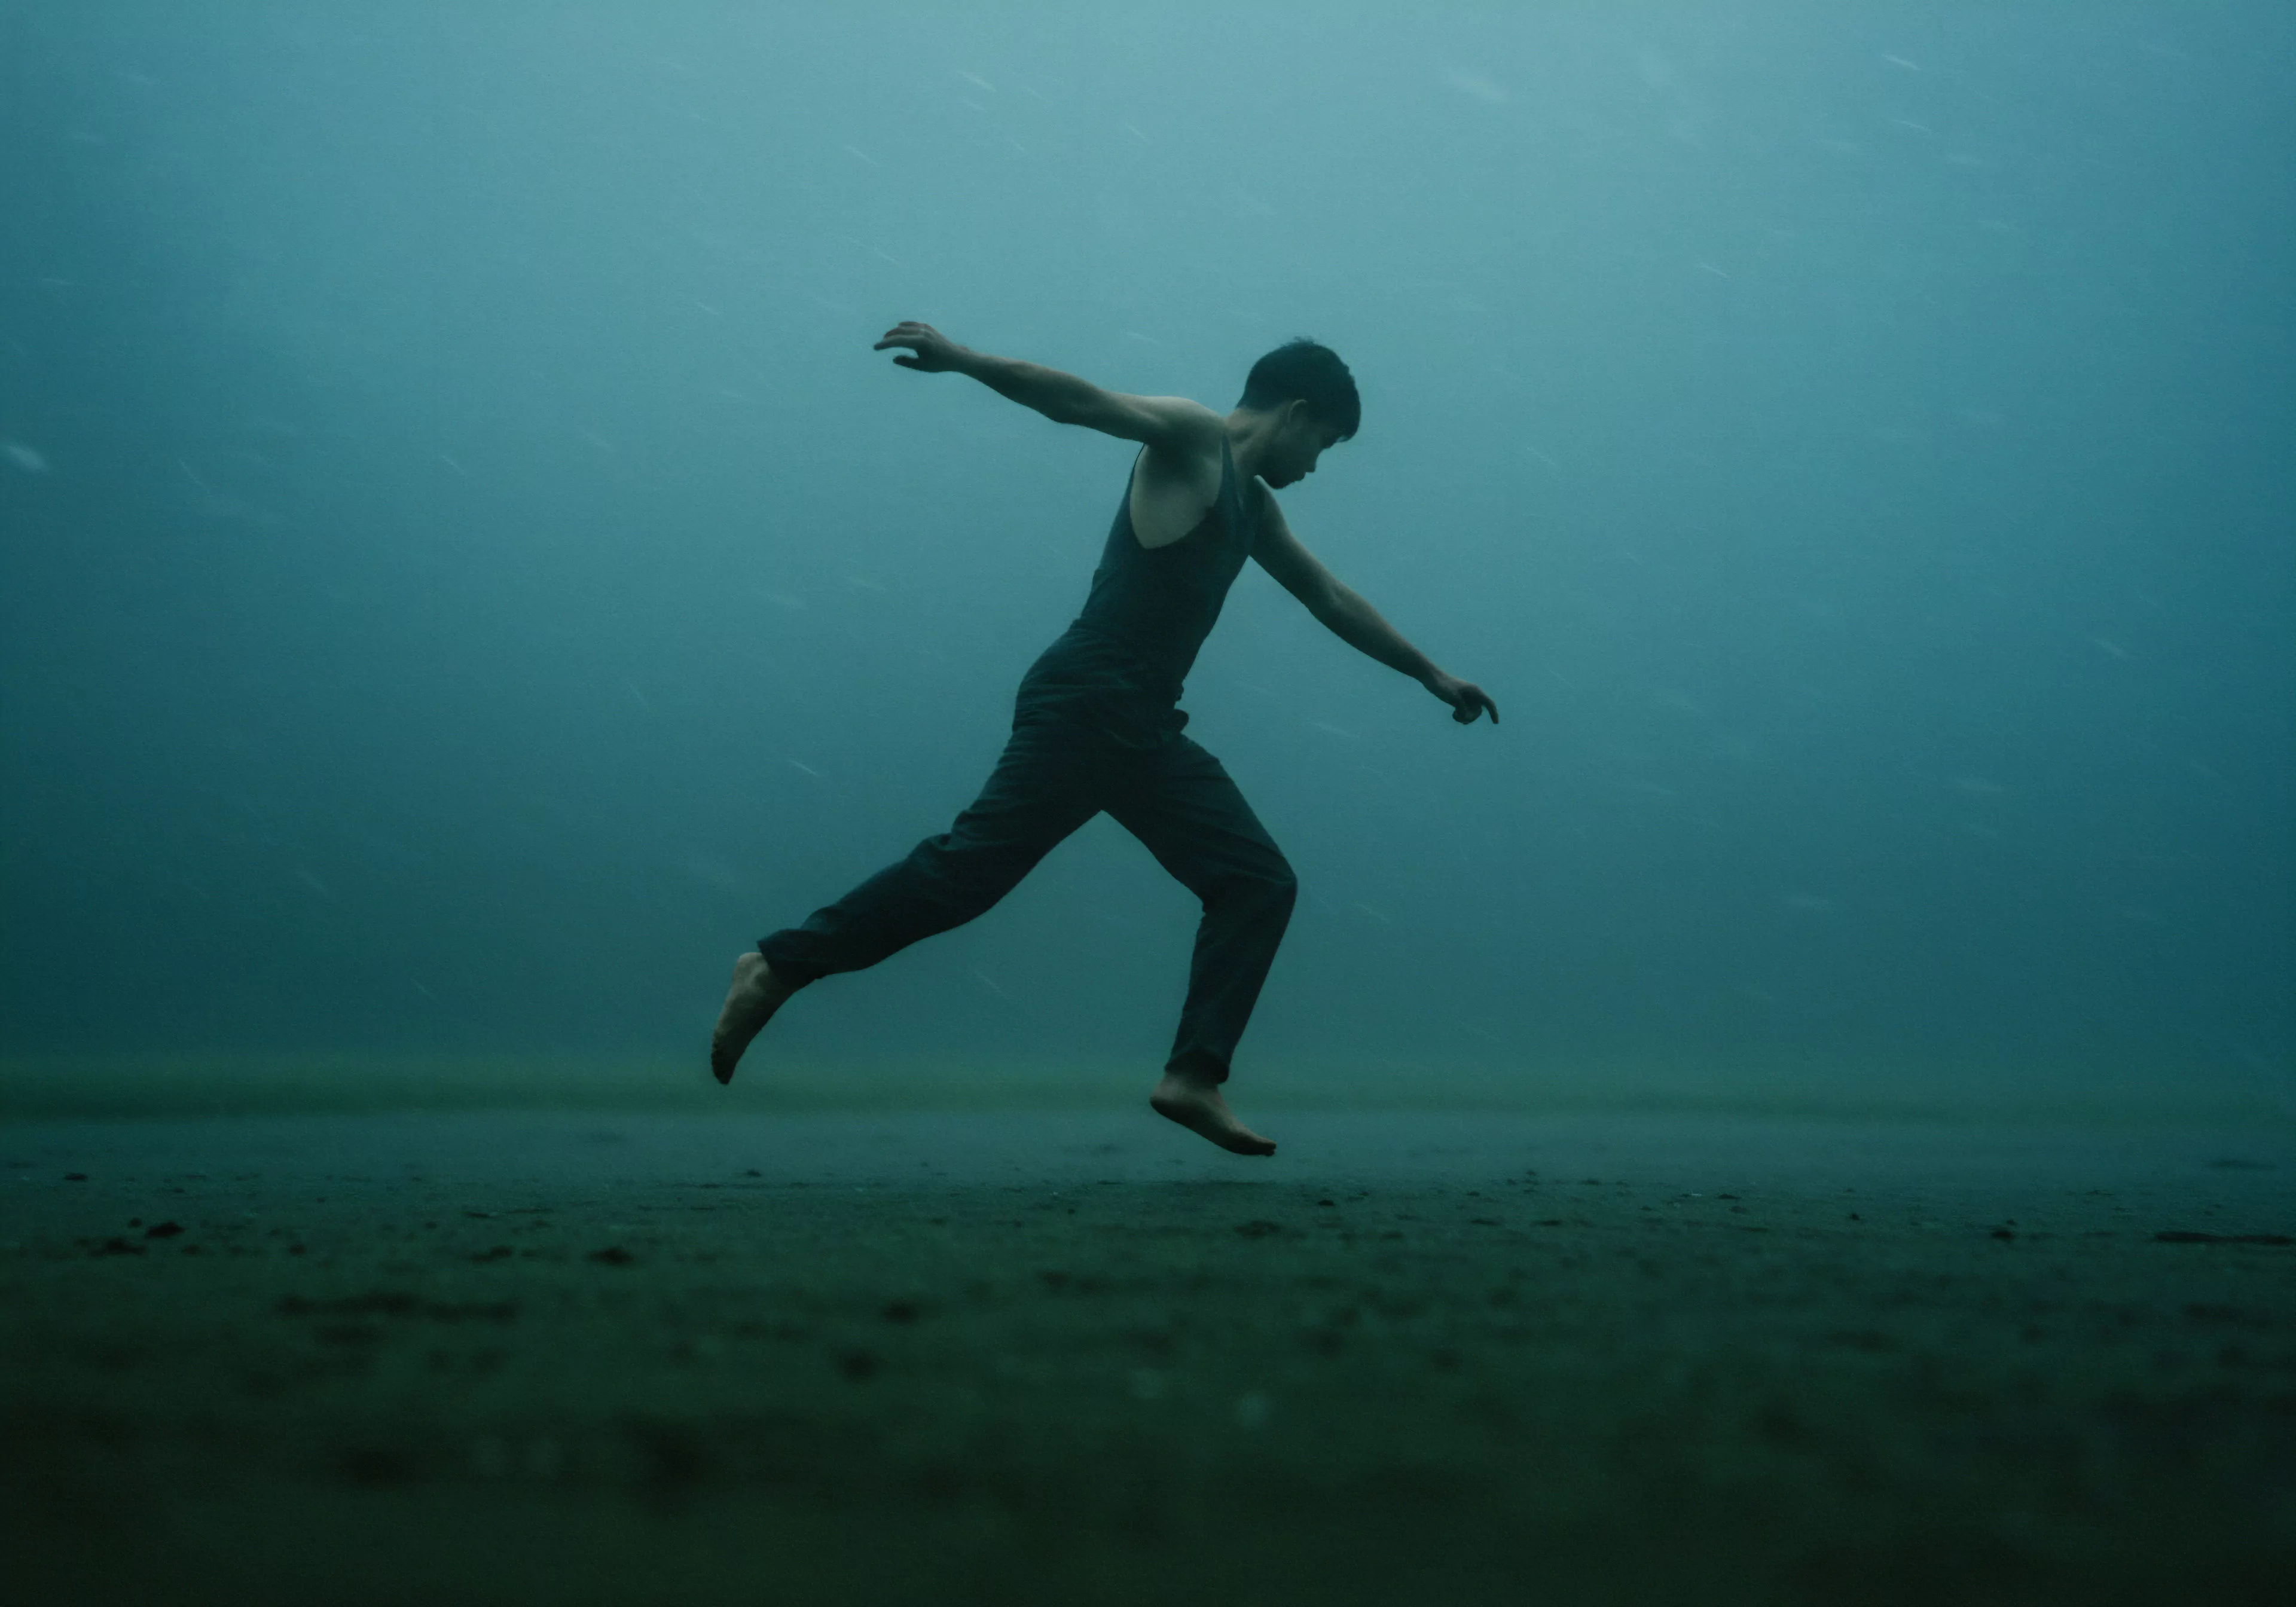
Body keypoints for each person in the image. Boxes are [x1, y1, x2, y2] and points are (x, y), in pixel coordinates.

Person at [710, 323, 1497, 1155]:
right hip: (1088, 698)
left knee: (1256, 882)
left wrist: (1429, 673)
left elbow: (1327, 597)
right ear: (1296, 412)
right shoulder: (1192, 436)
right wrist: (962, 360)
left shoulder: (1255, 509)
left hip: (1145, 723)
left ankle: (1191, 1078)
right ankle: (778, 965)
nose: (1316, 466)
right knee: (965, 874)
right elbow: (1077, 402)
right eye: (1325, 444)